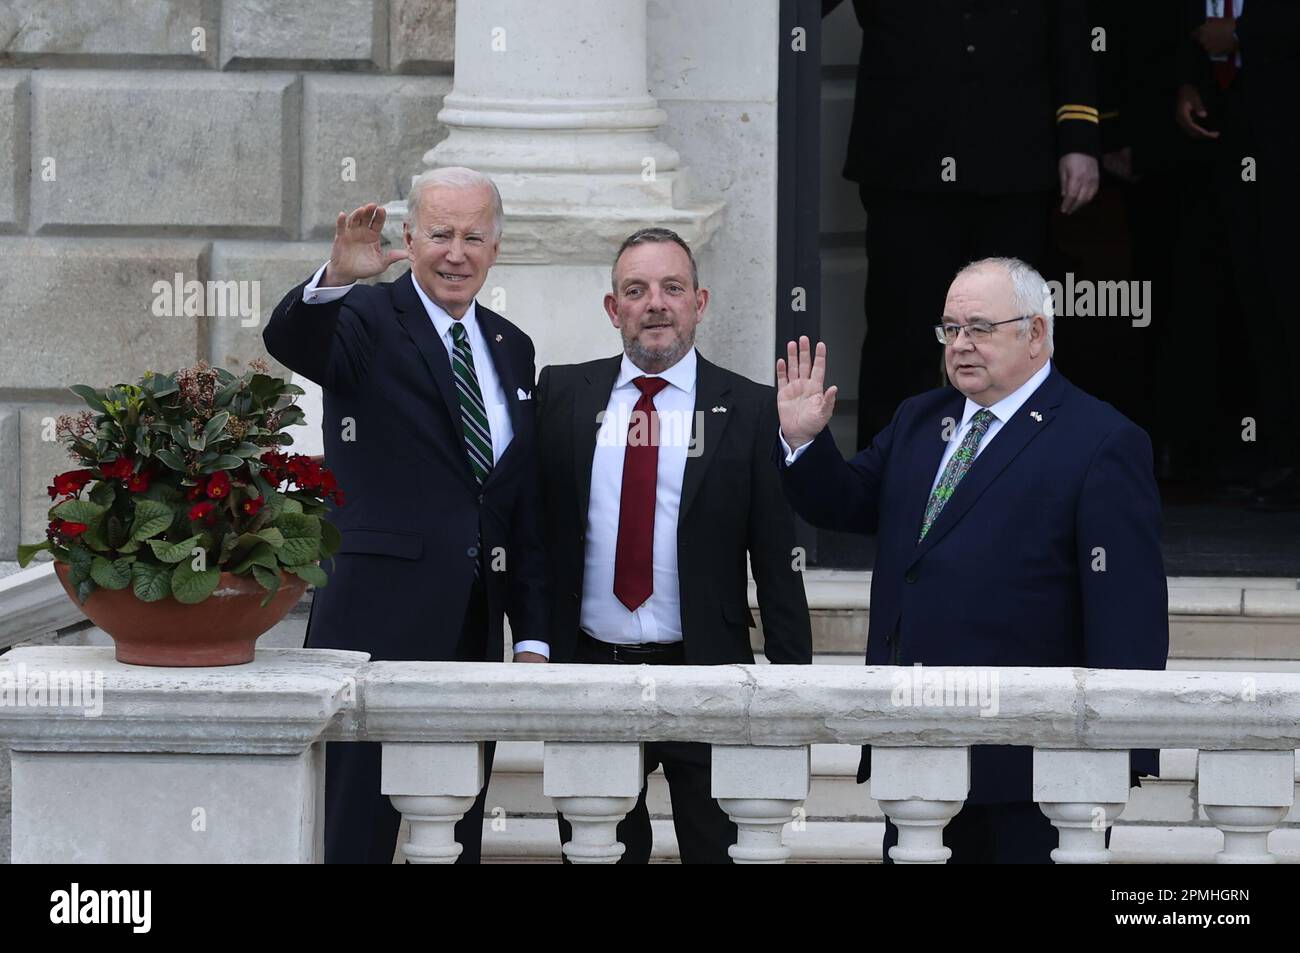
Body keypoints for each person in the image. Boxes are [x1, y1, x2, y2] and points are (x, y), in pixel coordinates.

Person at [776, 257, 1168, 863]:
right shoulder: (920, 418)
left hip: (1030, 762)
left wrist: (1125, 746)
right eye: (950, 329)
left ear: (1035, 333)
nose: (960, 345)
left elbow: (1128, 612)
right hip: (913, 737)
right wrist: (804, 442)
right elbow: (850, 505)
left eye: (979, 328)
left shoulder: (1100, 440)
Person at [263, 167, 548, 864]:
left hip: (476, 620)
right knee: (355, 828)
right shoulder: (363, 317)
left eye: (473, 236)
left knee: (456, 825)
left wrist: (533, 629)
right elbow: (292, 340)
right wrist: (336, 277)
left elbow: (515, 498)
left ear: (496, 248)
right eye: (441, 234)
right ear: (411, 239)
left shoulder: (513, 346)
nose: (457, 252)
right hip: (374, 618)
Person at [535, 227, 812, 863]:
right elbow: (530, 533)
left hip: (707, 673)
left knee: (718, 851)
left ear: (699, 301)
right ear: (613, 309)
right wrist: (532, 642)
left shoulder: (749, 408)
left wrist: (794, 692)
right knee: (598, 854)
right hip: (589, 674)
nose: (655, 303)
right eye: (635, 290)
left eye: (672, 288)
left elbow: (776, 565)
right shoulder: (561, 396)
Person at [823, 0, 1102, 450]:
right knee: (902, 337)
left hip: (1014, 167)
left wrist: (1079, 140)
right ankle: (890, 482)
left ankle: (1006, 478)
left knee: (1009, 334)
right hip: (907, 169)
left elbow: (1072, 39)